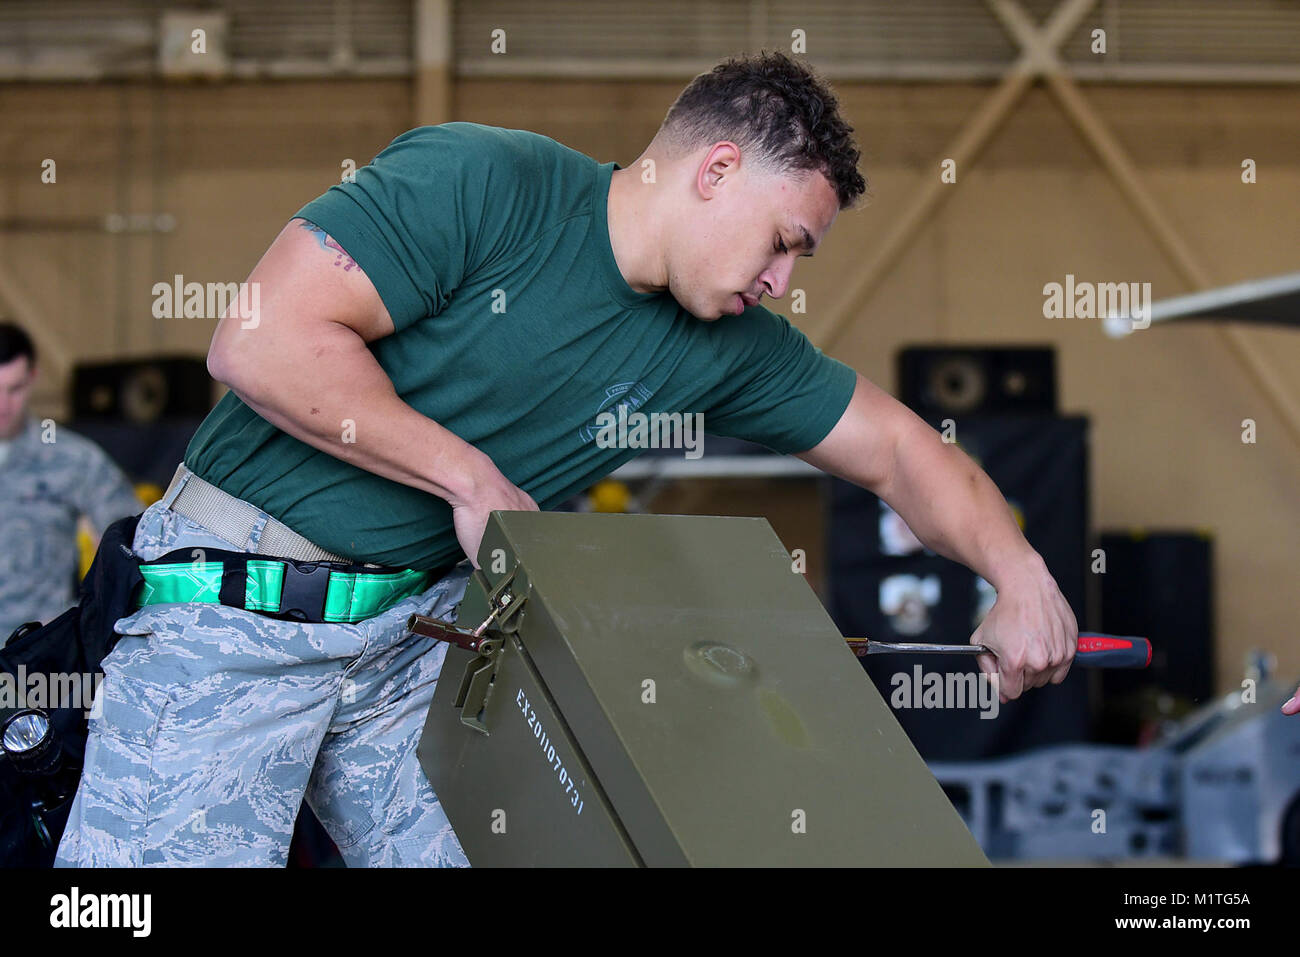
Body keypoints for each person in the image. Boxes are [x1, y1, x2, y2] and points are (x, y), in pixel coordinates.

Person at [56, 50, 1080, 868]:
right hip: (234, 611)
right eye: (783, 241)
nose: (779, 279)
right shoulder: (486, 180)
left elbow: (903, 452)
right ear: (715, 171)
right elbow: (258, 340)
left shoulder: (728, 345)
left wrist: (1020, 574)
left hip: (421, 643)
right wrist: (468, 476)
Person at [0, 322, 141, 640]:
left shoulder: (70, 458)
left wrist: (91, 625)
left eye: (14, 388)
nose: (2, 406)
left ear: (33, 378)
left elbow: (135, 540)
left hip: (34, 656)